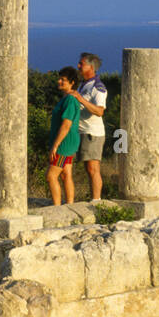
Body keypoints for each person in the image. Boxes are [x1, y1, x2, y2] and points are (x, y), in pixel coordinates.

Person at [70, 51, 108, 201]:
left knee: (93, 168)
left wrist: (80, 99)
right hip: (81, 132)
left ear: (91, 67)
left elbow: (99, 111)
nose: (78, 66)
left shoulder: (98, 88)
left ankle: (96, 201)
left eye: (82, 64)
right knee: (88, 168)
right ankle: (93, 199)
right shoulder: (84, 85)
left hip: (92, 133)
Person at [47, 66, 82, 205]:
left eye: (63, 80)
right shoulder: (66, 98)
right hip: (68, 142)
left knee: (51, 176)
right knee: (66, 174)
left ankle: (57, 207)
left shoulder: (70, 100)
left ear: (72, 82)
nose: (59, 81)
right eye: (60, 78)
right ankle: (69, 205)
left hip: (64, 143)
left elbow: (66, 124)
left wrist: (55, 146)